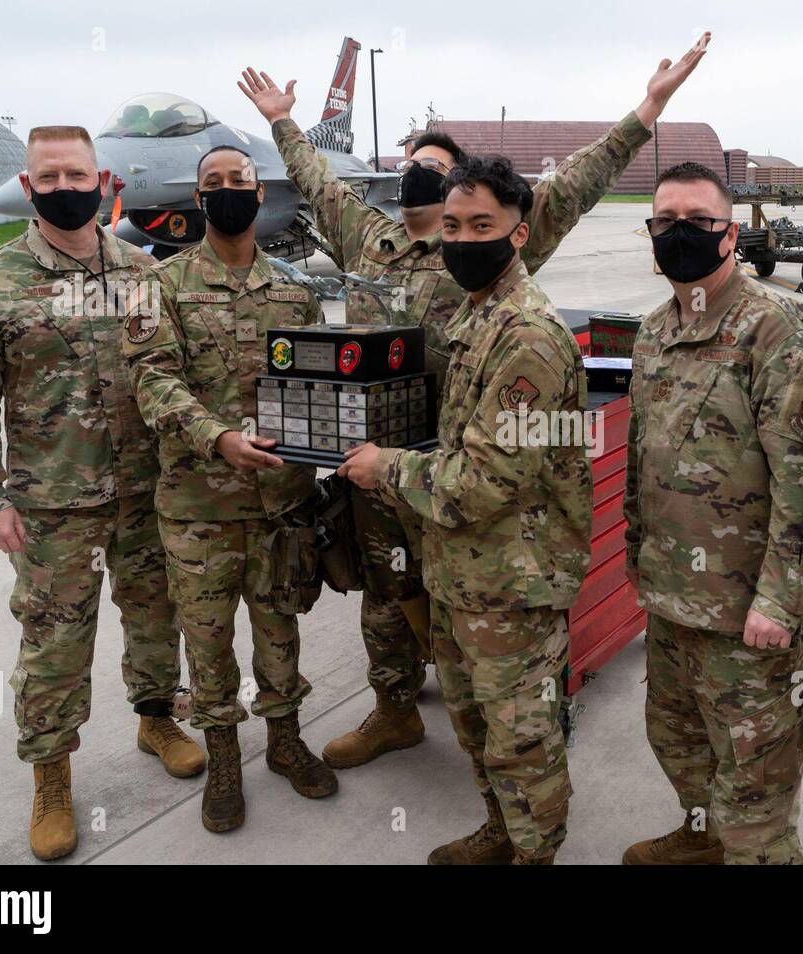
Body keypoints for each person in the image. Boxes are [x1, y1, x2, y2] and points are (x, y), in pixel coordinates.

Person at [238, 33, 711, 771]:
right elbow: (319, 183)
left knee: (471, 610)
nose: (419, 177)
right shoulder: (371, 239)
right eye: (411, 167)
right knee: (386, 588)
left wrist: (647, 110)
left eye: (436, 169)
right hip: (376, 465)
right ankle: (395, 708)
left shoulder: (494, 236)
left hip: (462, 468)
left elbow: (584, 178)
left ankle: (507, 737)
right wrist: (282, 122)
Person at [0, 125, 202, 861]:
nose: (62, 188)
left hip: (145, 492)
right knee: (53, 645)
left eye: (74, 174)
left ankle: (156, 719)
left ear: (103, 178)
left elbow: (174, 373)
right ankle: (52, 776)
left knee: (155, 616)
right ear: (28, 188)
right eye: (46, 178)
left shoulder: (146, 270)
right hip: (52, 502)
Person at [339, 155, 589, 864]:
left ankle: (534, 850)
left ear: (518, 234)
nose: (461, 238)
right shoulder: (476, 316)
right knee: (476, 727)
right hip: (462, 573)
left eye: (482, 224)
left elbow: (483, 480)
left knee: (523, 742)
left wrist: (385, 467)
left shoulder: (527, 336)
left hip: (514, 585)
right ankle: (500, 832)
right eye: (451, 225)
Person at [621, 162, 803, 865]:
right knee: (678, 741)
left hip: (749, 614)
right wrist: (638, 562)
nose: (679, 234)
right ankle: (702, 838)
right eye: (665, 223)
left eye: (698, 221)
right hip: (672, 597)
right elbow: (642, 462)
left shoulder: (775, 331)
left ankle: (750, 849)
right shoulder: (655, 332)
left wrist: (782, 602)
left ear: (732, 233)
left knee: (757, 787)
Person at [123, 145, 337, 834]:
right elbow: (152, 378)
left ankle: (283, 741)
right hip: (199, 508)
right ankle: (222, 755)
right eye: (213, 184)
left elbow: (317, 385)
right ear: (199, 196)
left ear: (257, 189)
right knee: (208, 642)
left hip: (280, 503)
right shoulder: (163, 284)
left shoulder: (294, 288)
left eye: (237, 182)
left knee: (280, 631)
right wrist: (217, 437)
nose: (227, 192)